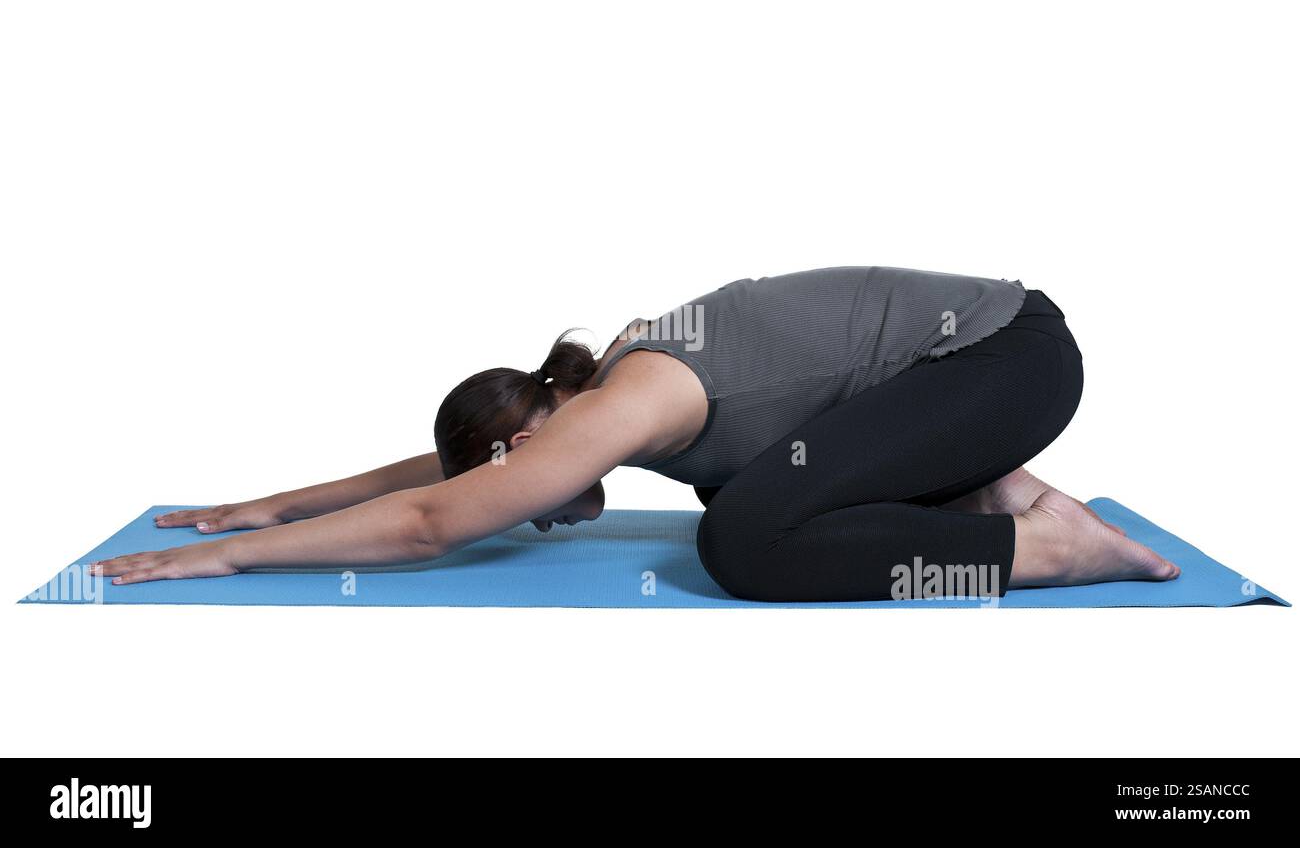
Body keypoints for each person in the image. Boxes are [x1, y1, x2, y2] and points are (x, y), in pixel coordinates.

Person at [92, 266, 1179, 600]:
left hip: (1003, 361)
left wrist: (223, 553)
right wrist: (281, 500)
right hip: (972, 376)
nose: (521, 506)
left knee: (743, 536)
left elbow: (434, 516)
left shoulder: (629, 398)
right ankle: (998, 490)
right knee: (749, 485)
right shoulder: (597, 398)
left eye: (515, 476)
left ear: (531, 441)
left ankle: (1040, 546)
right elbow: (450, 473)